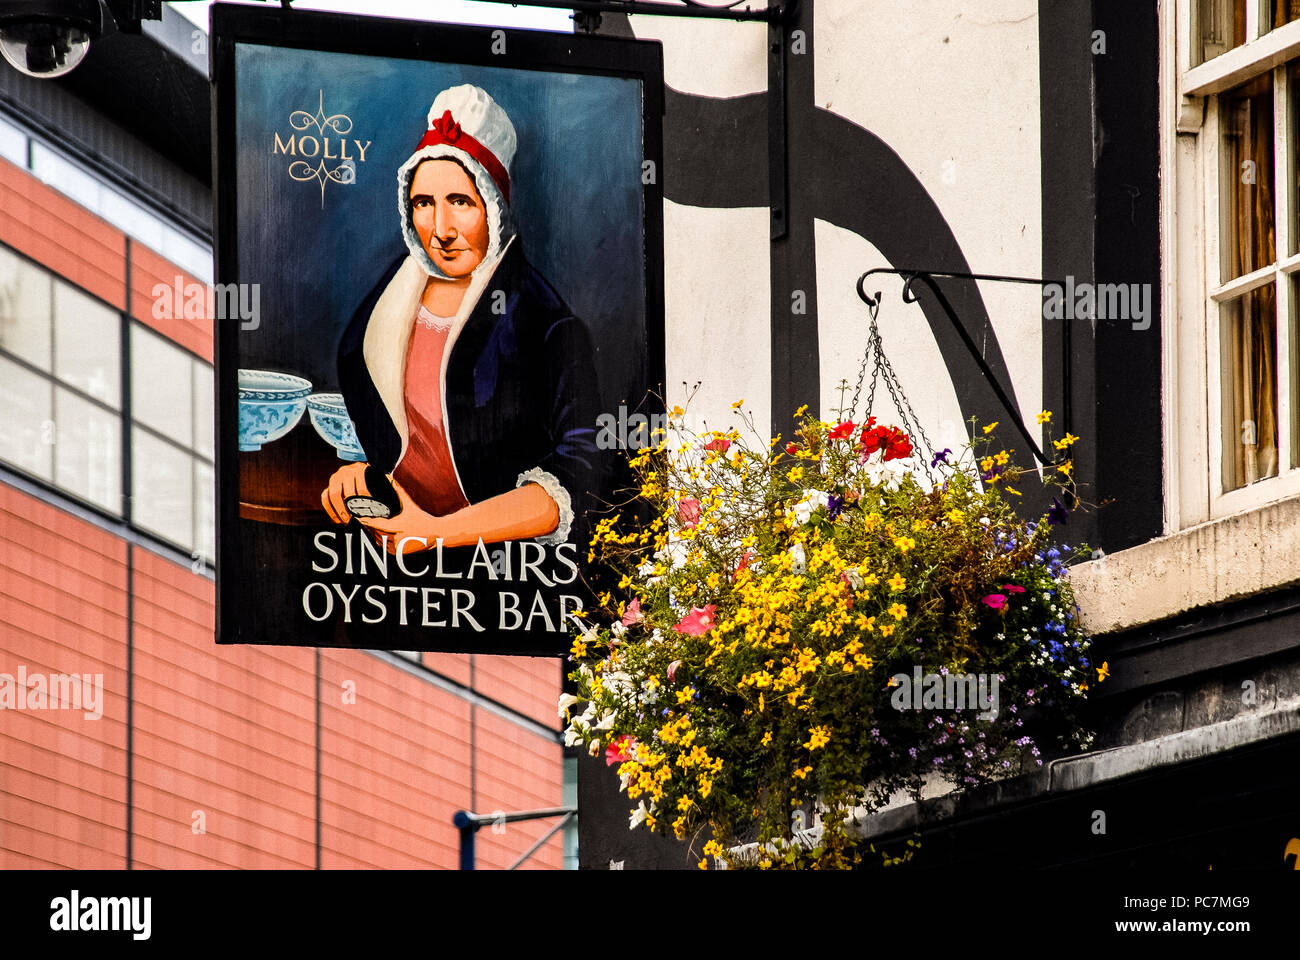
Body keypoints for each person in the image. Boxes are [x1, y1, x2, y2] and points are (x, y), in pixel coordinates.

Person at [321, 84, 601, 555]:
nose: (441, 230)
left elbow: (581, 471)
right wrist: (368, 475)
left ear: (493, 207)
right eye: (424, 203)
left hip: (500, 574)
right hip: (396, 555)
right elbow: (407, 438)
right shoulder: (395, 293)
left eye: (461, 202)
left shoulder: (546, 323)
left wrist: (437, 533)